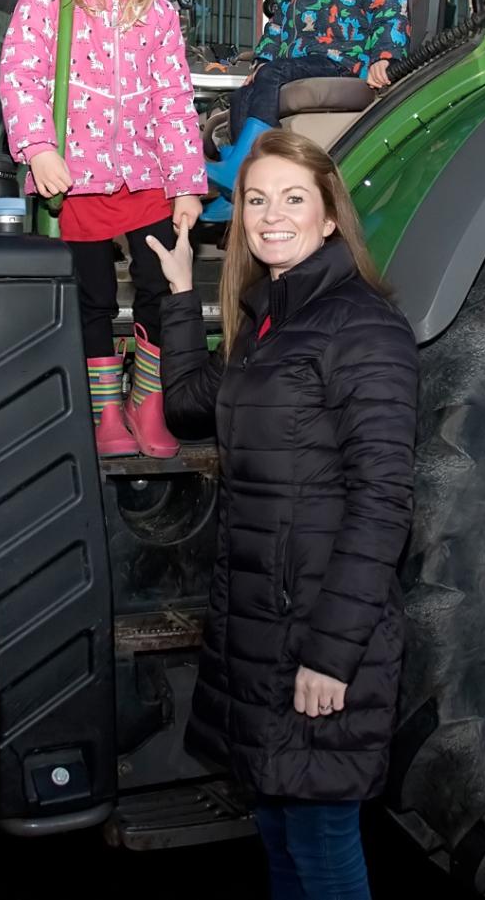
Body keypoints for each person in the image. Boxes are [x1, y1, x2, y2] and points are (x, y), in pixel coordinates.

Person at [147, 127, 418, 900]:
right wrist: (178, 295)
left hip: (322, 632)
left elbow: (382, 502)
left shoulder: (363, 327)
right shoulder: (271, 322)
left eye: (293, 198)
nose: (271, 215)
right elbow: (191, 407)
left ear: (330, 216)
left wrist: (332, 654)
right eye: (255, 200)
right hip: (260, 629)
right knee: (276, 825)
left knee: (322, 836)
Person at [0, 0, 208, 459]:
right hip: (80, 176)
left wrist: (186, 182)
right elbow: (21, 74)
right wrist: (38, 147)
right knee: (91, 294)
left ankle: (148, 400)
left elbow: (174, 96)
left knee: (158, 286)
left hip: (147, 175)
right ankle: (104, 409)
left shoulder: (160, 6)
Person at [203, 0, 410, 219]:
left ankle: (248, 172)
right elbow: (281, 17)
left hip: (345, 59)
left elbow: (390, 8)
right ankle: (239, 188)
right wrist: (265, 57)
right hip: (304, 58)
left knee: (272, 77)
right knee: (243, 93)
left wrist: (386, 57)